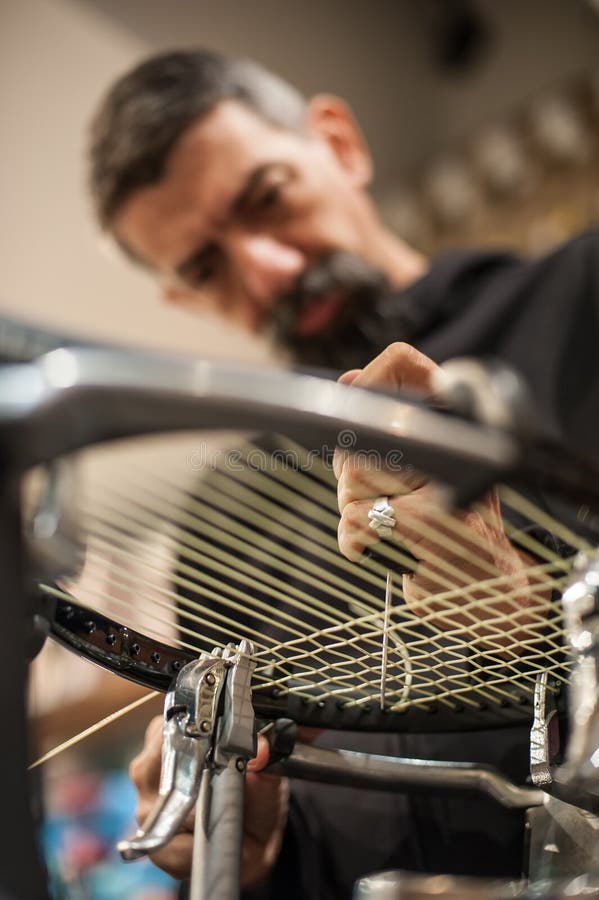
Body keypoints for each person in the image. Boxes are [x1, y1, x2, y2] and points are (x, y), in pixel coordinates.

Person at [88, 49, 599, 898]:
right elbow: (286, 820)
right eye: (206, 267)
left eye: (267, 198)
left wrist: (532, 634)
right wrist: (247, 852)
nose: (269, 269)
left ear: (338, 143)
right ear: (183, 297)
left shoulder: (584, 298)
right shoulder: (223, 512)